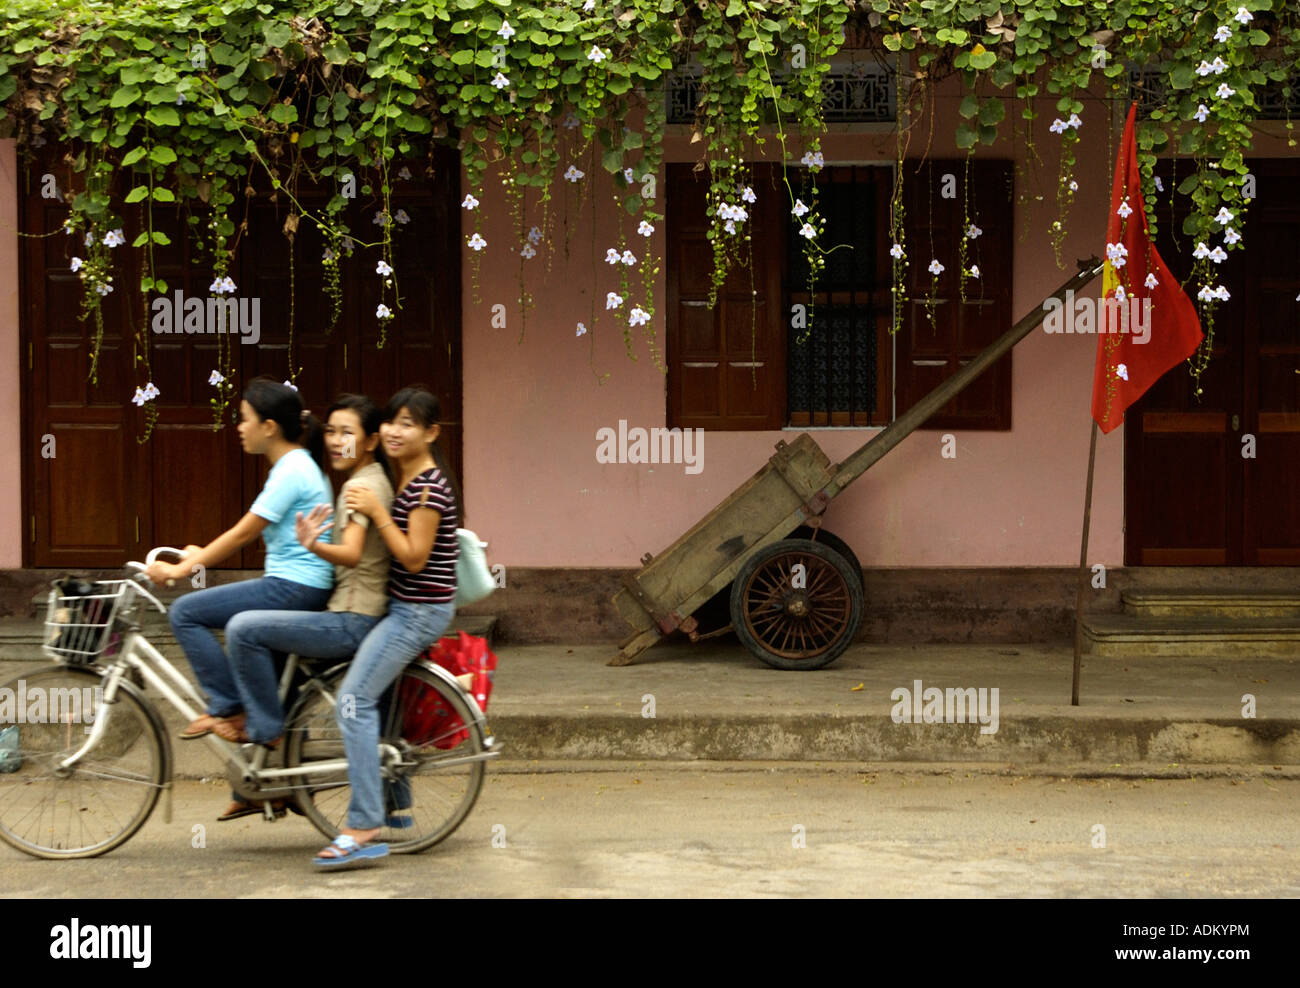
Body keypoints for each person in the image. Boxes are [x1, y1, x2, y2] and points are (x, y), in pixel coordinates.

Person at [145, 378, 334, 812]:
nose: (237, 427)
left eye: (243, 419)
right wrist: (199, 554)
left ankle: (229, 707)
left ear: (269, 426)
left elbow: (244, 532)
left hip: (294, 588)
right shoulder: (296, 466)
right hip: (300, 584)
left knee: (188, 611)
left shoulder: (291, 470)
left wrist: (183, 569)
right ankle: (262, 789)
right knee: (272, 685)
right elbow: (251, 533)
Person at [217, 394, 395, 821]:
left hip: (352, 619)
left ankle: (265, 736)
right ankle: (274, 783)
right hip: (351, 611)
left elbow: (352, 553)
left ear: (371, 441)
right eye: (331, 432)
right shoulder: (364, 478)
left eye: (347, 433)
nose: (335, 441)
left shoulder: (361, 486)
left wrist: (314, 546)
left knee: (243, 629)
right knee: (269, 655)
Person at [312, 385, 460, 868]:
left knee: (352, 702)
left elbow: (415, 559)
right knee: (377, 701)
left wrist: (376, 512)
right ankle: (395, 807)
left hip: (417, 612)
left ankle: (363, 825)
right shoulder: (406, 478)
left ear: (431, 433)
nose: (396, 431)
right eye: (392, 422)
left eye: (409, 424)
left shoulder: (428, 486)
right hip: (405, 608)